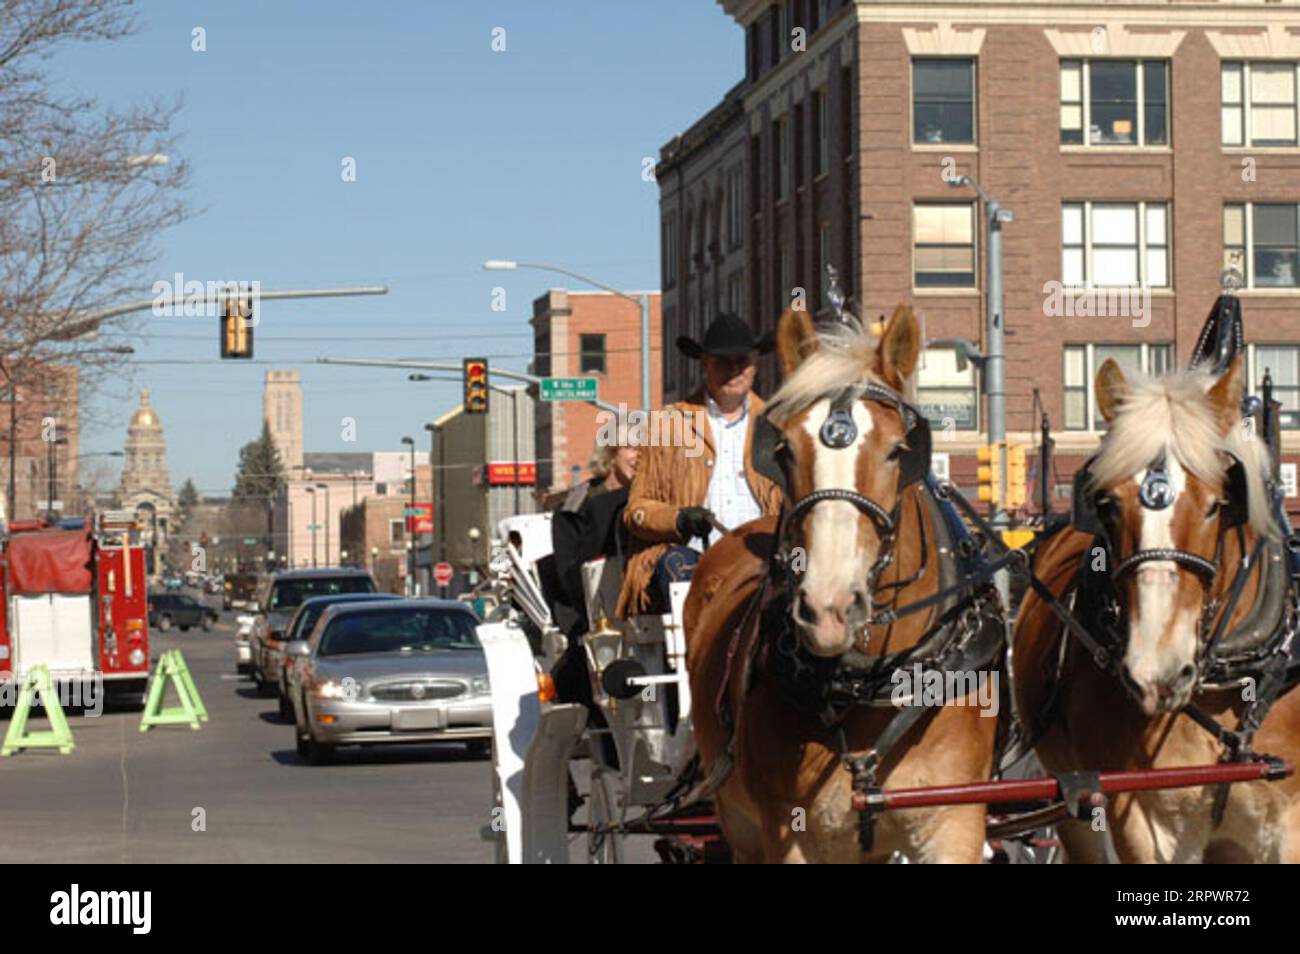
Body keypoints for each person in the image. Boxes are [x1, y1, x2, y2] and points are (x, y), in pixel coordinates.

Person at [616, 313, 783, 617]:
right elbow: (636, 510)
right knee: (677, 565)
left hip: (767, 556)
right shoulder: (668, 424)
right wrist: (678, 518)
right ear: (705, 364)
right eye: (722, 361)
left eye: (742, 361)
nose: (733, 371)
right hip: (695, 559)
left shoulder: (779, 424)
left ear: (755, 364)